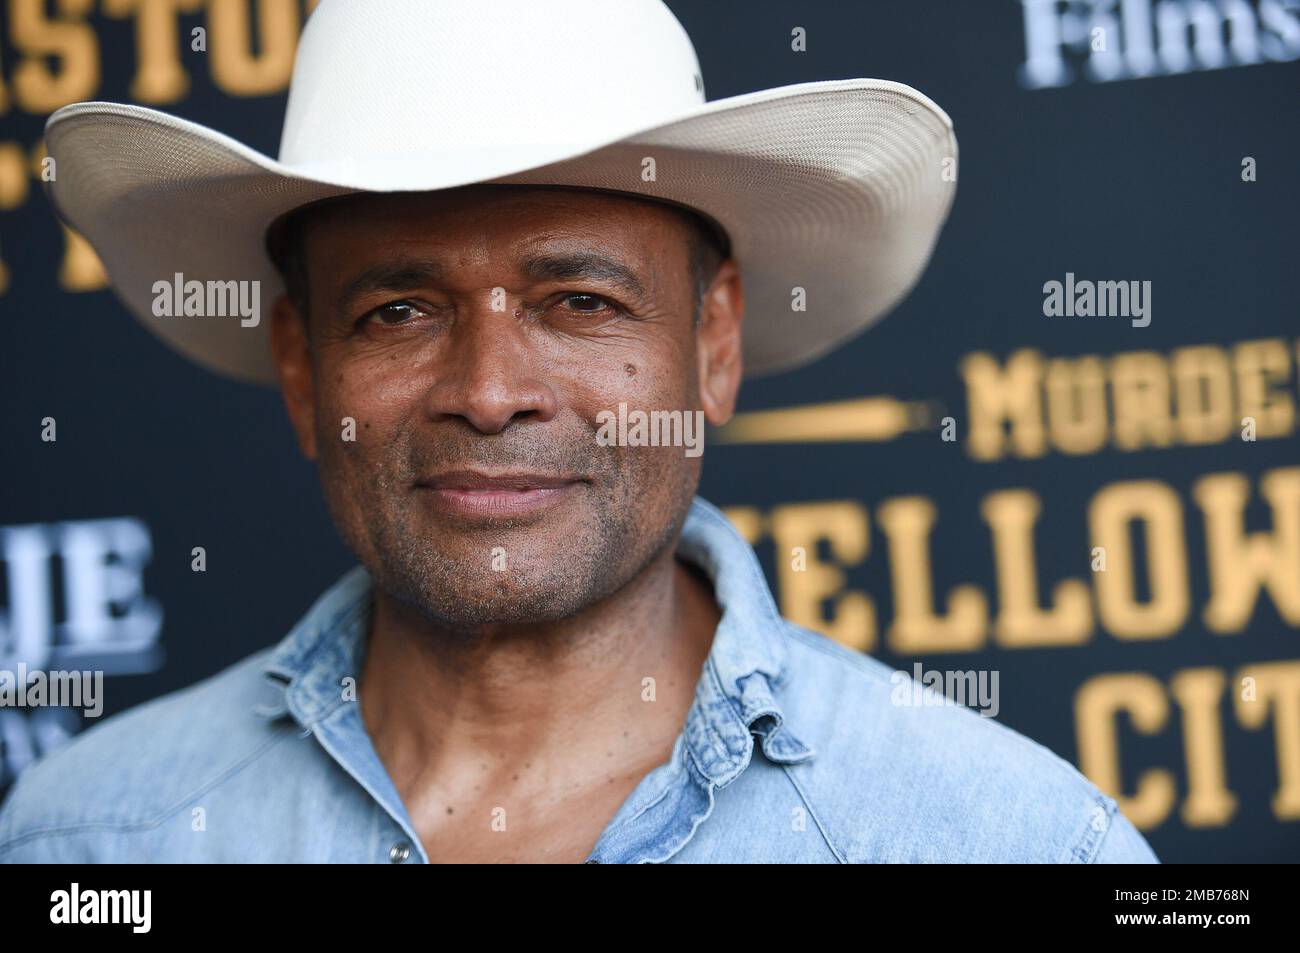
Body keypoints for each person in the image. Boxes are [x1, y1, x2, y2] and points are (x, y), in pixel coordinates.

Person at [0, 0, 1157, 863]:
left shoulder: (1009, 843)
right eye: (398, 310)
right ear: (302, 368)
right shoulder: (90, 845)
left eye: (580, 302)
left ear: (712, 342)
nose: (492, 391)